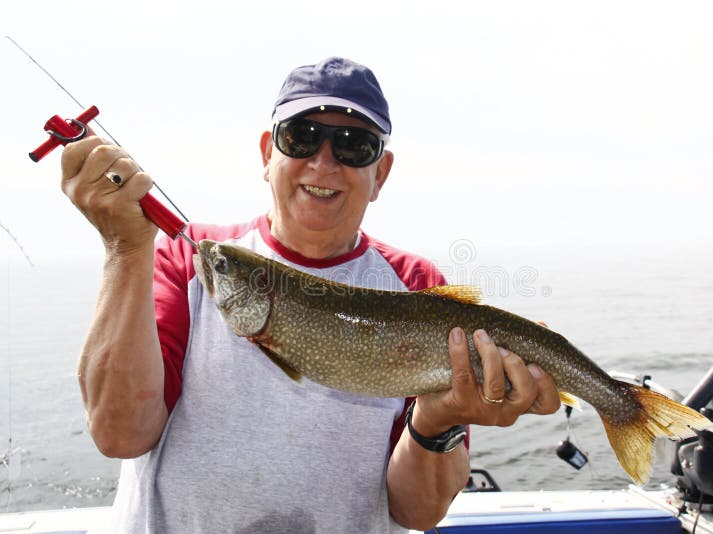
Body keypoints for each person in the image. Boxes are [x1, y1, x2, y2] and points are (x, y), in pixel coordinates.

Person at [60, 57, 561, 533]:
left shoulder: (416, 285)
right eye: (301, 137)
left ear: (381, 173)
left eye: (353, 146)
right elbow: (119, 434)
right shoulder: (182, 257)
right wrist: (125, 248)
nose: (323, 163)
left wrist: (438, 420)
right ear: (267, 153)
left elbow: (419, 512)